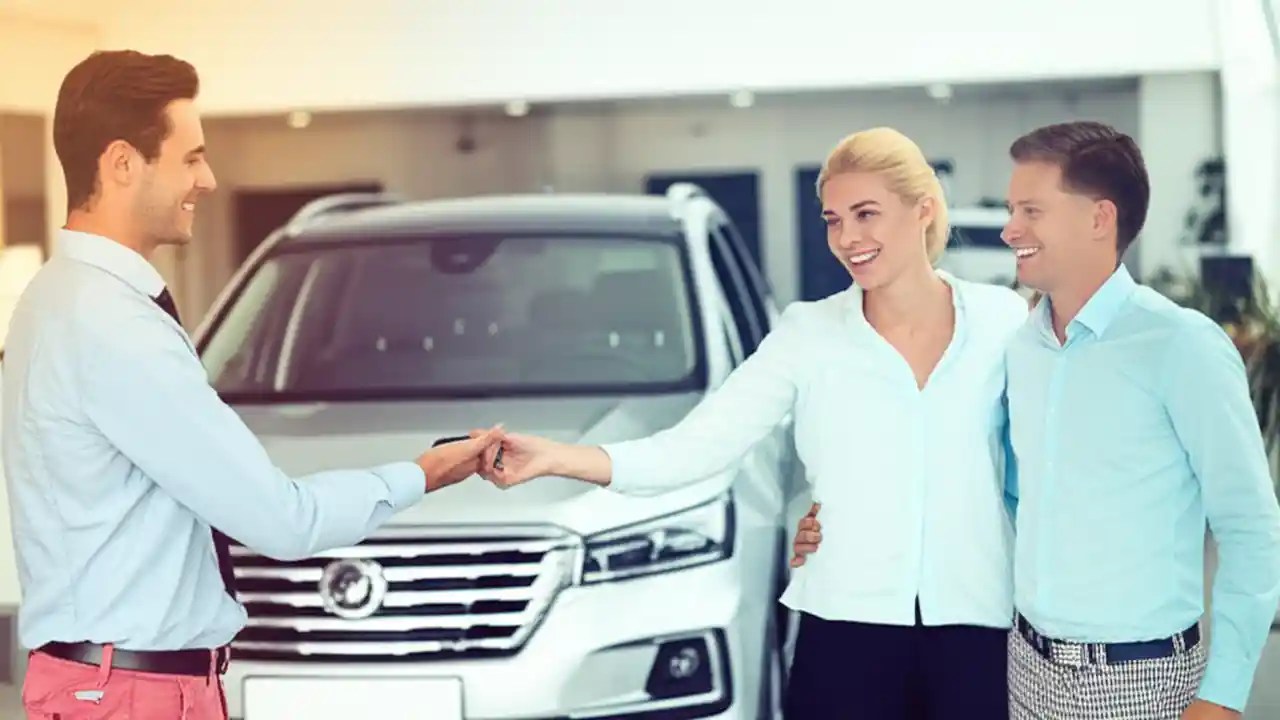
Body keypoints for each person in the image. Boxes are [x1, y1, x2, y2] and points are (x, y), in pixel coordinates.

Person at [3, 49, 502, 719]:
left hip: (111, 686)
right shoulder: (110, 323)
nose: (207, 180)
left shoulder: (58, 298)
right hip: (131, 697)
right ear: (122, 163)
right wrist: (424, 473)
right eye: (190, 158)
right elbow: (282, 521)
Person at [476, 127, 1028, 718]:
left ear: (923, 210)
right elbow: (695, 448)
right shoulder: (808, 335)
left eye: (866, 214)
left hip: (979, 631)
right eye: (833, 219)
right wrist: (558, 459)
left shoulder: (1002, 320)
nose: (847, 238)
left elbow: (1046, 464)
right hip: (845, 632)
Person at [794, 120, 1280, 720]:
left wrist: (1223, 696)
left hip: (1141, 678)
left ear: (1099, 219)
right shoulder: (1018, 348)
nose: (1009, 229)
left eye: (1031, 210)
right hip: (1024, 669)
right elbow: (991, 488)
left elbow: (1251, 527)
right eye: (1010, 208)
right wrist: (840, 524)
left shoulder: (1182, 345)